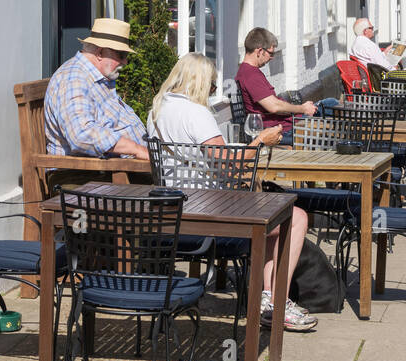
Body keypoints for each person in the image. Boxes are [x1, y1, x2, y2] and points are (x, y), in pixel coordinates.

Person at [147, 53, 317, 333]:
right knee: (294, 216)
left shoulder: (156, 109)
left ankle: (268, 298)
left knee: (272, 212)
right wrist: (261, 140)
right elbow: (230, 161)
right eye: (212, 85)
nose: (213, 90)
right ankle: (278, 304)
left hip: (170, 206)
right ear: (200, 82)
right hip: (204, 206)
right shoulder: (196, 112)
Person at [44, 17, 149, 163]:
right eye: (121, 55)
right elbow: (82, 136)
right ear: (100, 53)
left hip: (121, 169)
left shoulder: (97, 77)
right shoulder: (73, 79)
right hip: (88, 176)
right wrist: (137, 149)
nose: (125, 62)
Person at [236, 28, 322, 144]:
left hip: (285, 126)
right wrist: (302, 109)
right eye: (271, 54)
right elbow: (274, 106)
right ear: (260, 51)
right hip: (281, 131)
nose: (272, 58)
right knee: (330, 122)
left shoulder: (249, 72)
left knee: (328, 106)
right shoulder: (250, 75)